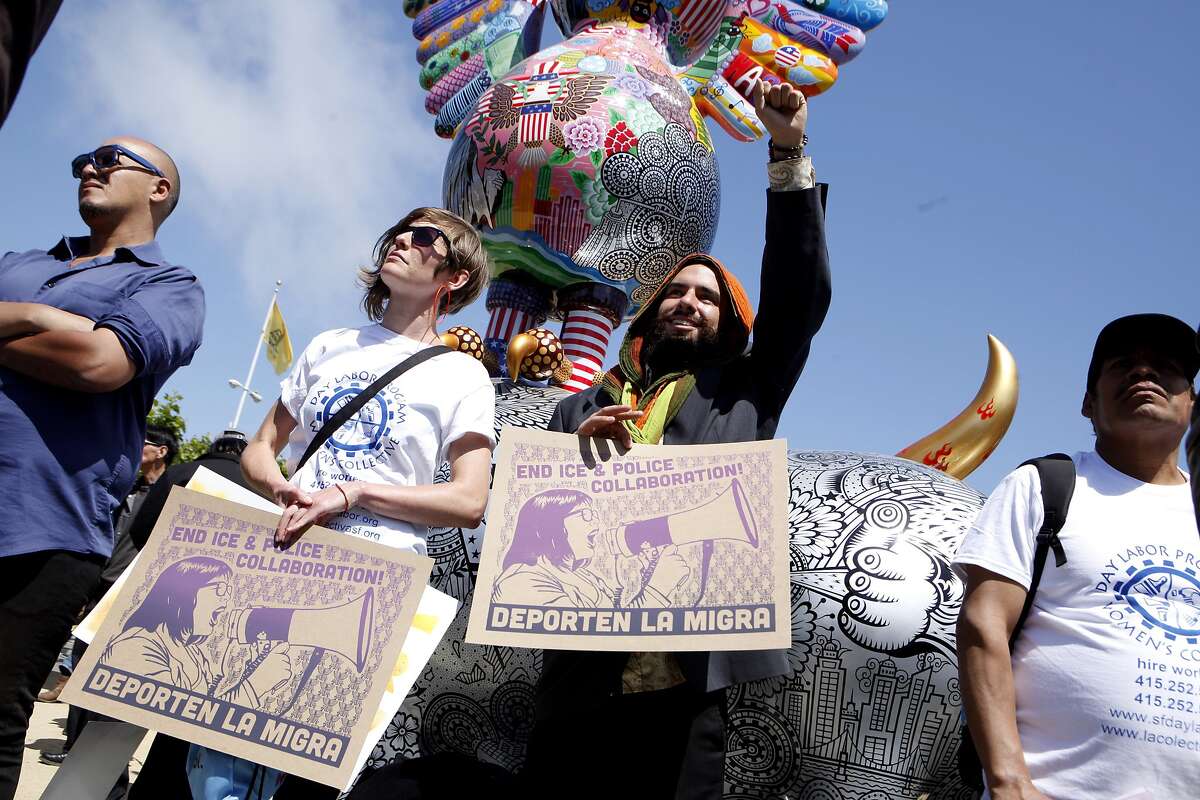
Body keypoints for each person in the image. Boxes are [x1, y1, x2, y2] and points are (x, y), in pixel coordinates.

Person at [523, 79, 831, 799]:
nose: (689, 302)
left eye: (708, 296)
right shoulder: (581, 409)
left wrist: (787, 154)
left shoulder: (745, 394)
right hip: (577, 678)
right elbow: (522, 526)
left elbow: (797, 298)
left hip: (683, 680)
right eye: (676, 292)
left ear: (730, 322)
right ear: (650, 310)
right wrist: (571, 459)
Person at [201, 206, 496, 800]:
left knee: (306, 761)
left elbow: (469, 498)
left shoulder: (464, 376)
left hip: (369, 579)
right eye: (398, 232)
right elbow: (261, 448)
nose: (401, 242)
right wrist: (281, 485)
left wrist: (354, 493)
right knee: (216, 745)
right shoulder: (330, 345)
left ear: (454, 276)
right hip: (280, 552)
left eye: (424, 238)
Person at [0, 136, 203, 800]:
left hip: (39, 533)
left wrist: (23, 327)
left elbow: (99, 364)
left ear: (159, 189)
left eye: (110, 159)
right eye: (81, 161)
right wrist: (36, 315)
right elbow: (82, 350)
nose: (89, 167)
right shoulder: (18, 264)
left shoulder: (169, 287)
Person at [954, 313, 1200, 799]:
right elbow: (983, 625)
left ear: (1192, 403)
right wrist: (1008, 781)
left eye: (1166, 367)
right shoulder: (1043, 487)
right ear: (1088, 403)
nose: (1143, 374)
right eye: (1123, 365)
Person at [494, 489, 686, 608]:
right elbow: (599, 641)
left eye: (594, 513)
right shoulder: (522, 580)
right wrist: (658, 587)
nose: (597, 521)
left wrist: (648, 578)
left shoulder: (585, 577)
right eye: (585, 514)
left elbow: (616, 626)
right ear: (550, 525)